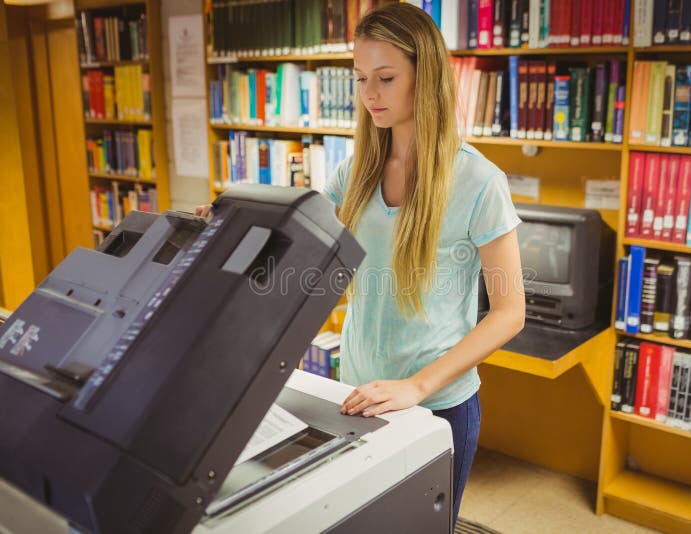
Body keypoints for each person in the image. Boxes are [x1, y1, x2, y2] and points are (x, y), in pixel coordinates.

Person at [197, 3, 525, 524]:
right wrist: (229, 229)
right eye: (361, 78)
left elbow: (510, 312)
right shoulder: (356, 171)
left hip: (437, 403)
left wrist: (416, 387)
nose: (370, 93)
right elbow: (301, 240)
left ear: (427, 77)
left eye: (387, 78)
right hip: (357, 393)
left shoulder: (481, 182)